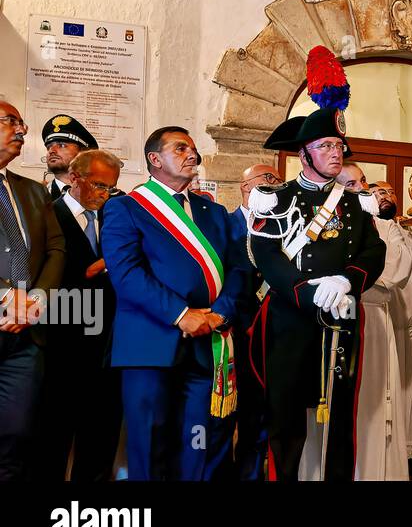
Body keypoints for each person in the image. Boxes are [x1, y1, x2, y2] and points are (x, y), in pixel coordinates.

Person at [248, 108, 387, 481]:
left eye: (339, 145)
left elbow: (374, 252)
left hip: (341, 319)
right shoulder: (275, 200)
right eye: (325, 145)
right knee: (286, 419)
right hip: (292, 321)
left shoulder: (356, 203)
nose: (336, 152)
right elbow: (267, 258)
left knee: (341, 420)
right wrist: (306, 293)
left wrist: (346, 281)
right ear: (303, 154)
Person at [101, 126, 247, 480]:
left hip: (205, 344)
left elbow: (240, 267)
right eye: (180, 148)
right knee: (150, 447)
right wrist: (181, 314)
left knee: (198, 443)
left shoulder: (213, 212)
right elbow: (127, 275)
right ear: (155, 159)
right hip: (150, 346)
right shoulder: (126, 208)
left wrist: (219, 313)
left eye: (193, 149)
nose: (191, 154)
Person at [40, 149, 123, 481]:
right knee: (51, 446)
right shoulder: (46, 214)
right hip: (61, 348)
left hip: (107, 352)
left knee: (99, 446)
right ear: (75, 178)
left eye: (110, 189)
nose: (104, 195)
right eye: (99, 185)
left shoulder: (115, 218)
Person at [334, 163, 412, 480]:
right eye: (351, 183)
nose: (362, 188)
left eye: (363, 181)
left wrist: (346, 276)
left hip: (374, 318)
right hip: (335, 319)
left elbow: (394, 273)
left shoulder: (385, 228)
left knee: (374, 405)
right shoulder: (326, 222)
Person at [0, 101, 65, 480]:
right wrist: (9, 297)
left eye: (22, 123)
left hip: (27, 337)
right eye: (11, 122)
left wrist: (36, 301)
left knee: (16, 438)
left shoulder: (32, 192)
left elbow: (57, 249)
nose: (22, 130)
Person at [373, 179, 412, 472]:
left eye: (389, 191)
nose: (386, 196)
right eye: (378, 192)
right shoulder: (373, 231)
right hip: (392, 325)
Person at [230, 163, 277, 481]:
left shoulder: (279, 226)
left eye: (277, 179)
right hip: (235, 333)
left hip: (272, 332)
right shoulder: (225, 223)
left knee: (264, 412)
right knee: (237, 415)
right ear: (247, 188)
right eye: (269, 179)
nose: (276, 184)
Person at [41, 115, 97, 200]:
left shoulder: (102, 195)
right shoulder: (37, 196)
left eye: (62, 145)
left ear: (82, 153)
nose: (51, 150)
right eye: (49, 147)